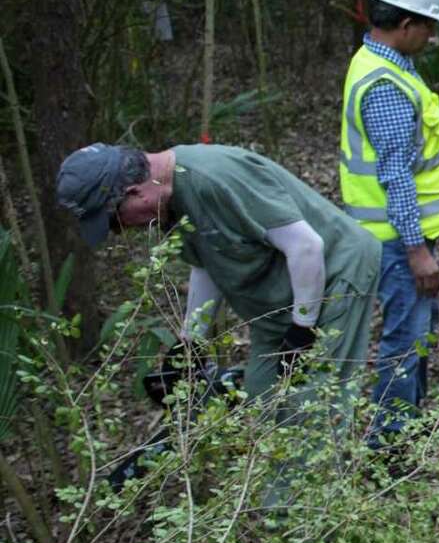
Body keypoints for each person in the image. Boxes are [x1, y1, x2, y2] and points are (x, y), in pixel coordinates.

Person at [55, 142, 378, 400]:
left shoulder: (213, 177)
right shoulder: (171, 204)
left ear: (135, 192)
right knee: (263, 399)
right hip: (279, 299)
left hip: (336, 273)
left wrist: (302, 329)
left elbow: (306, 246)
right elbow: (208, 264)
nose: (122, 229)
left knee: (311, 405)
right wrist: (190, 344)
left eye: (116, 219)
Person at [338, 0, 439, 440]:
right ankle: (391, 447)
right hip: (395, 242)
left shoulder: (379, 65)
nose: (431, 37)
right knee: (405, 342)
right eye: (428, 26)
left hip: (396, 237)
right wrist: (417, 251)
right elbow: (396, 175)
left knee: (417, 333)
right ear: (406, 25)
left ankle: (412, 428)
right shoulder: (386, 86)